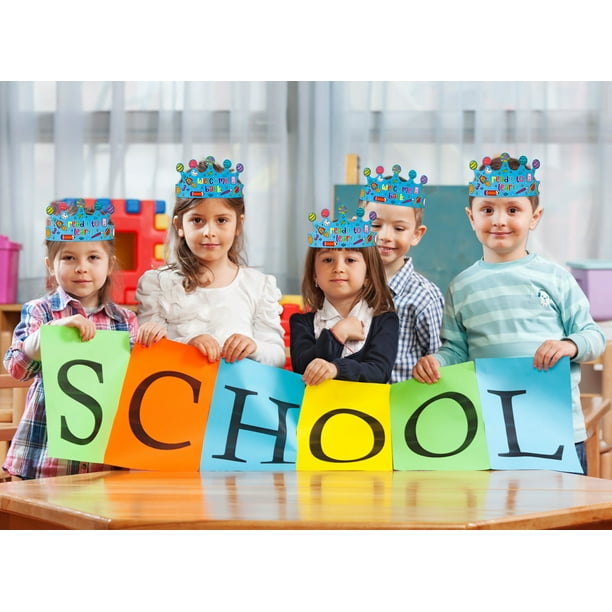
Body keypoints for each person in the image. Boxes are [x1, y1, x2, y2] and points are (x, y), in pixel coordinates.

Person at [412, 153, 606, 474]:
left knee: (561, 505)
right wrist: (436, 362)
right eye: (487, 210)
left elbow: (593, 336)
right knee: (497, 504)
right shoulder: (461, 286)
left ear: (534, 217)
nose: (499, 220)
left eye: (513, 210)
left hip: (555, 430)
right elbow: (456, 350)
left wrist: (569, 345)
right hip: (490, 434)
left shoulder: (556, 277)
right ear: (471, 217)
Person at [2, 198, 139, 480]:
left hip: (105, 457)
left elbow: (135, 383)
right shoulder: (40, 311)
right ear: (50, 266)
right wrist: (52, 333)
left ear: (109, 265)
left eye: (93, 257)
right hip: (47, 456)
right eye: (69, 258)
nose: (81, 267)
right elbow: (17, 368)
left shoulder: (125, 320)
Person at [136, 156, 286, 367]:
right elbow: (147, 350)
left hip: (237, 388)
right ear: (179, 225)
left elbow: (277, 356)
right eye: (197, 220)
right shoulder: (157, 284)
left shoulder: (259, 286)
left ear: (238, 225)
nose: (209, 232)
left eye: (221, 220)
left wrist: (254, 346)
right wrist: (188, 345)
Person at [289, 206, 399, 385]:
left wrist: (336, 369)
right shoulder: (302, 323)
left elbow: (379, 372)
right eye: (328, 260)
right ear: (314, 274)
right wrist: (338, 334)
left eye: (350, 260)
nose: (338, 268)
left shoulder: (385, 320)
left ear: (368, 275)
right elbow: (302, 368)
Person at [360, 163, 444, 382]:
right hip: (353, 398)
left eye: (399, 228)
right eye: (375, 225)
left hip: (403, 399)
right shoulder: (346, 286)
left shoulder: (424, 296)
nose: (385, 236)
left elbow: (440, 360)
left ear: (416, 234)